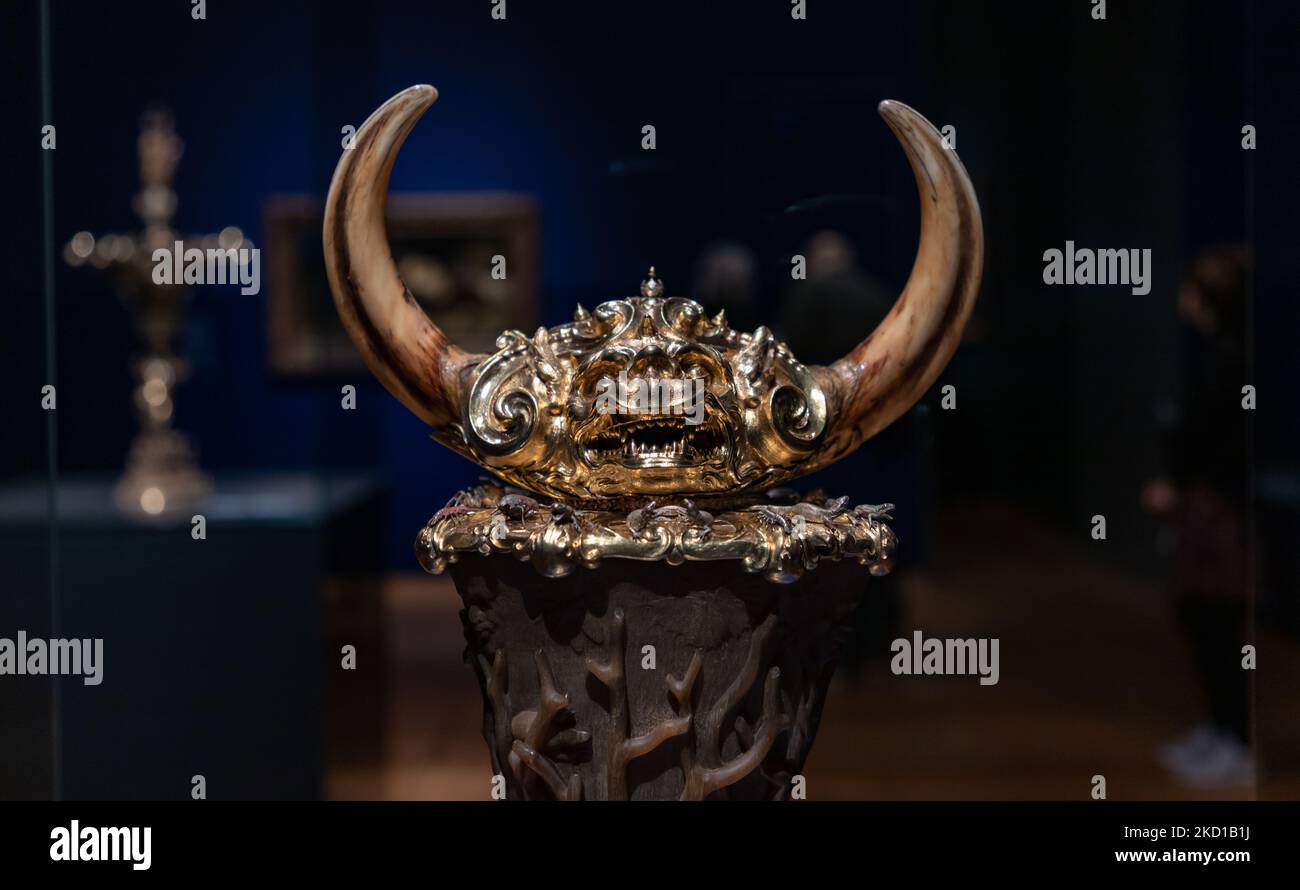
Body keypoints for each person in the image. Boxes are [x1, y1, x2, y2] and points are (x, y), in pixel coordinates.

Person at [1142, 246, 1253, 788]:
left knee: (1215, 622)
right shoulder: (1221, 357)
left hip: (1218, 512)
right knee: (1201, 618)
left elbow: (1222, 443)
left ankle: (1235, 740)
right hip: (1209, 507)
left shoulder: (1233, 363)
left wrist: (1181, 484)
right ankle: (1220, 730)